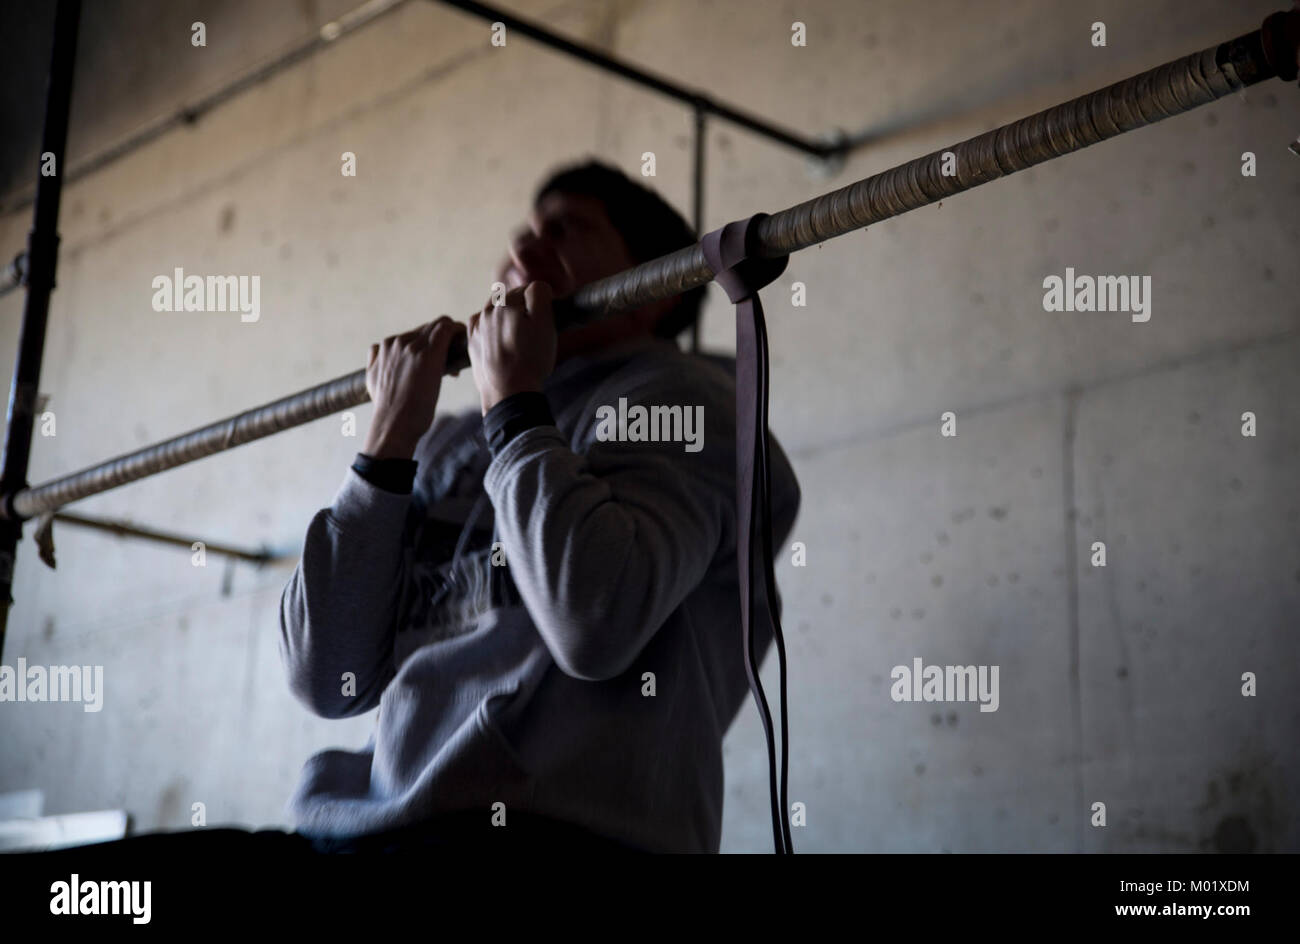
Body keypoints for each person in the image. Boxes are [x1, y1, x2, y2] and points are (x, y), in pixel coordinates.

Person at [277, 159, 802, 854]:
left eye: (567, 230)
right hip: (369, 822)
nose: (521, 252)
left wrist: (514, 405)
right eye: (524, 231)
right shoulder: (449, 441)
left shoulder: (689, 403)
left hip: (558, 833)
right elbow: (326, 679)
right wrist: (385, 445)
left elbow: (595, 621)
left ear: (654, 290)